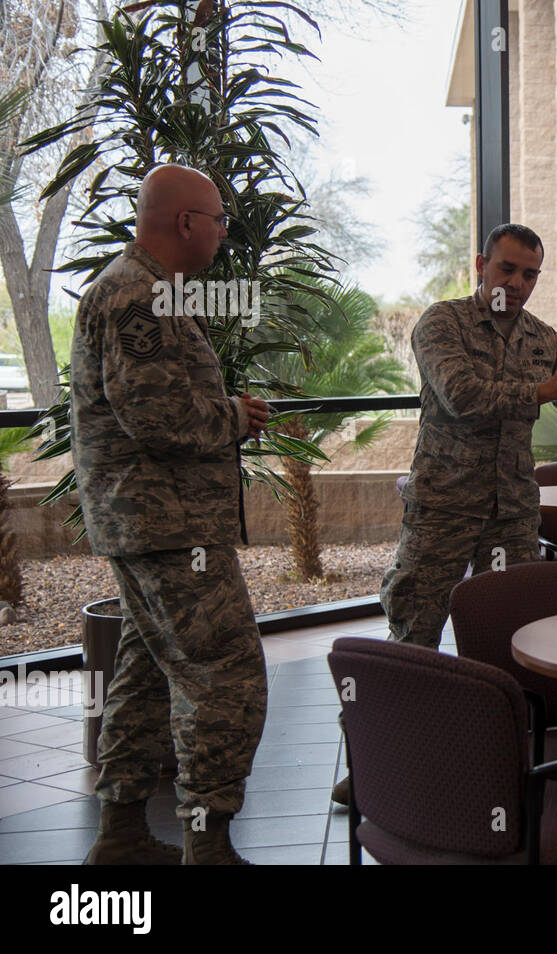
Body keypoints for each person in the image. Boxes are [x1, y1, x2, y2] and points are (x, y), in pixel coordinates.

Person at [325, 226, 557, 804]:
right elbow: (461, 395)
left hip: (511, 514)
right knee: (414, 636)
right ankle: (379, 768)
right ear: (482, 264)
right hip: (443, 507)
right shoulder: (441, 323)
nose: (518, 284)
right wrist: (543, 389)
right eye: (508, 269)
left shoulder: (541, 338)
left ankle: (499, 765)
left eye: (529, 275)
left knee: (511, 640)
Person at [76, 164, 271, 865]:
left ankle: (121, 834)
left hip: (151, 525)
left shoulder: (147, 290)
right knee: (227, 673)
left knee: (149, 670)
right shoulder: (136, 296)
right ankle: (207, 845)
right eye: (218, 219)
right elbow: (155, 415)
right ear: (185, 222)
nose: (225, 231)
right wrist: (232, 417)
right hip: (165, 526)